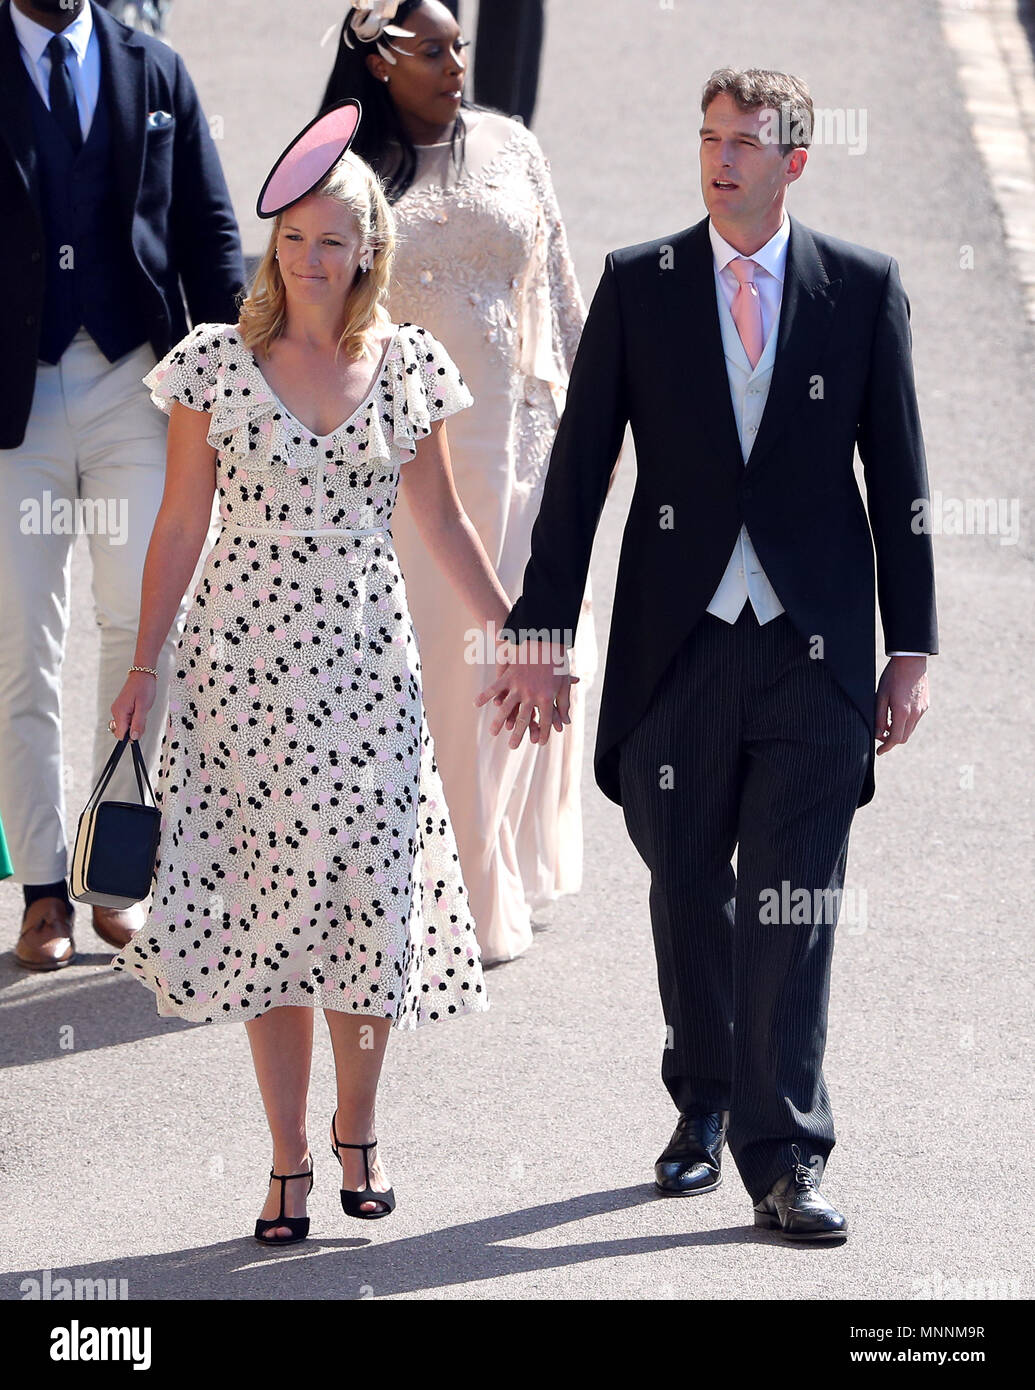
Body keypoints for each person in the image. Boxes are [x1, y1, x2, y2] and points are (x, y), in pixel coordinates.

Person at [478, 67, 938, 1242]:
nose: (720, 159)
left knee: (794, 902)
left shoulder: (862, 290)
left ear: (795, 160)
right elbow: (579, 475)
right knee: (688, 894)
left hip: (814, 651)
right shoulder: (644, 286)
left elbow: (901, 480)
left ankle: (785, 1153)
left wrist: (912, 647)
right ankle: (705, 1098)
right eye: (708, 138)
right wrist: (537, 633)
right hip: (675, 652)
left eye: (746, 142)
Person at [109, 106, 516, 1243]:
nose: (309, 258)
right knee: (269, 922)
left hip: (367, 679)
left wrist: (518, 632)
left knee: (367, 917)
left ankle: (359, 1132)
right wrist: (145, 663)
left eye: (332, 239)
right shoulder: (212, 364)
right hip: (240, 683)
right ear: (273, 247)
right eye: (292, 238)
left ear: (368, 252)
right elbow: (180, 524)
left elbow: (439, 520)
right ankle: (288, 1161)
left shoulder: (408, 368)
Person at [320, 0, 596, 964]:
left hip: (523, 444)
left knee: (516, 661)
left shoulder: (514, 148)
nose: (453, 62)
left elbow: (560, 296)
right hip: (409, 466)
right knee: (442, 671)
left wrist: (594, 431)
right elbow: (307, 319)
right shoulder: (343, 172)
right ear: (379, 60)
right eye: (430, 49)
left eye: (458, 46)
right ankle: (434, 890)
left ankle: (486, 878)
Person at [0, 0, 243, 969]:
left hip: (136, 384)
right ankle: (44, 892)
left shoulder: (155, 69)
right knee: (26, 645)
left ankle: (117, 870)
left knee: (142, 631)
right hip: (15, 402)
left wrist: (232, 388)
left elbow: (210, 232)